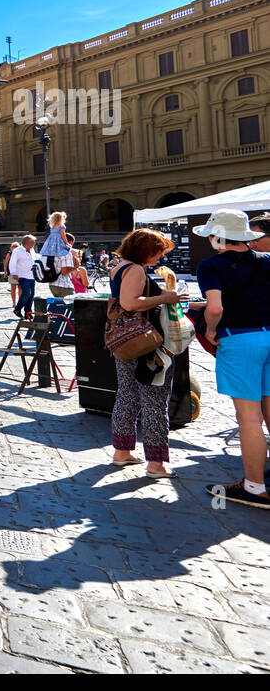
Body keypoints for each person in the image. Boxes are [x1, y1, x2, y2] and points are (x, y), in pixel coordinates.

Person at [194, 210, 270, 507]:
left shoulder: (210, 265)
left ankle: (253, 487)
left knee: (249, 418)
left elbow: (214, 308)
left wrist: (211, 330)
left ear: (218, 238)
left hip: (240, 340)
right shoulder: (267, 260)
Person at [107, 228, 183, 480]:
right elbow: (130, 303)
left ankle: (122, 451)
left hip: (123, 340)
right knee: (154, 401)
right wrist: (167, 299)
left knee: (127, 394)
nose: (160, 256)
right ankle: (156, 463)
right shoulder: (136, 269)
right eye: (158, 250)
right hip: (144, 342)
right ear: (145, 249)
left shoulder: (119, 266)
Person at [10, 235, 38, 319]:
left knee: (31, 295)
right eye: (33, 242)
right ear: (27, 243)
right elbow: (12, 262)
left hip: (32, 276)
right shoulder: (17, 251)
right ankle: (17, 309)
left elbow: (36, 258)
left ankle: (28, 312)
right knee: (26, 293)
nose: (34, 244)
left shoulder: (32, 250)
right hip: (22, 275)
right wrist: (14, 273)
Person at [50, 233, 80, 299]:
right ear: (70, 242)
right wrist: (76, 266)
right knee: (73, 306)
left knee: (59, 305)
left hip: (53, 284)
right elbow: (64, 272)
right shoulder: (67, 252)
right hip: (63, 285)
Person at [4, 242, 20, 308]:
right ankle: (14, 302)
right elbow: (5, 264)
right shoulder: (10, 254)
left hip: (20, 273)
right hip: (12, 272)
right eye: (14, 246)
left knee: (20, 288)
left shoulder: (20, 254)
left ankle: (20, 302)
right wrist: (5, 272)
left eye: (16, 246)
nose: (15, 248)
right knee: (13, 287)